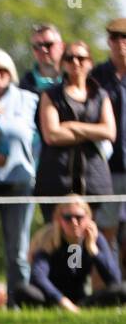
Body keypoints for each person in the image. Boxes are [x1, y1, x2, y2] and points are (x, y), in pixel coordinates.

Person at [34, 40, 116, 224]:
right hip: (56, 180)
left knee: (90, 237)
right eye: (70, 58)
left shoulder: (100, 95)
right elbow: (52, 135)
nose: (75, 62)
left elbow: (109, 132)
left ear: (90, 62)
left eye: (81, 58)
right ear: (63, 63)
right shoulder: (51, 94)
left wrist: (71, 126)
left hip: (94, 180)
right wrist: (93, 131)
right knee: (55, 241)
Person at [0, 48, 39, 295]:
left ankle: (20, 301)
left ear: (10, 73)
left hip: (19, 182)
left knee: (18, 249)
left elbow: (38, 140)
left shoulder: (28, 99)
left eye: (2, 70)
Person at [10, 197, 126, 309]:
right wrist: (61, 300)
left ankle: (81, 307)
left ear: (88, 218)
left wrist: (93, 250)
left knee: (123, 290)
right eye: (68, 218)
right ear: (59, 220)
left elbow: (114, 280)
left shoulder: (95, 238)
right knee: (22, 290)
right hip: (52, 298)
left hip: (83, 299)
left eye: (79, 217)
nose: (74, 222)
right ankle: (61, 307)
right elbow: (37, 277)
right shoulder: (48, 238)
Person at [89, 17, 126, 248]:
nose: (120, 42)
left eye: (125, 37)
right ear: (108, 40)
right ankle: (110, 284)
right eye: (115, 37)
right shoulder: (96, 76)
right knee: (106, 232)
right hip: (106, 167)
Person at [20, 24, 64, 97]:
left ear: (62, 46)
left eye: (48, 45)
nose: (43, 50)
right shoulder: (23, 88)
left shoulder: (74, 81)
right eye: (37, 46)